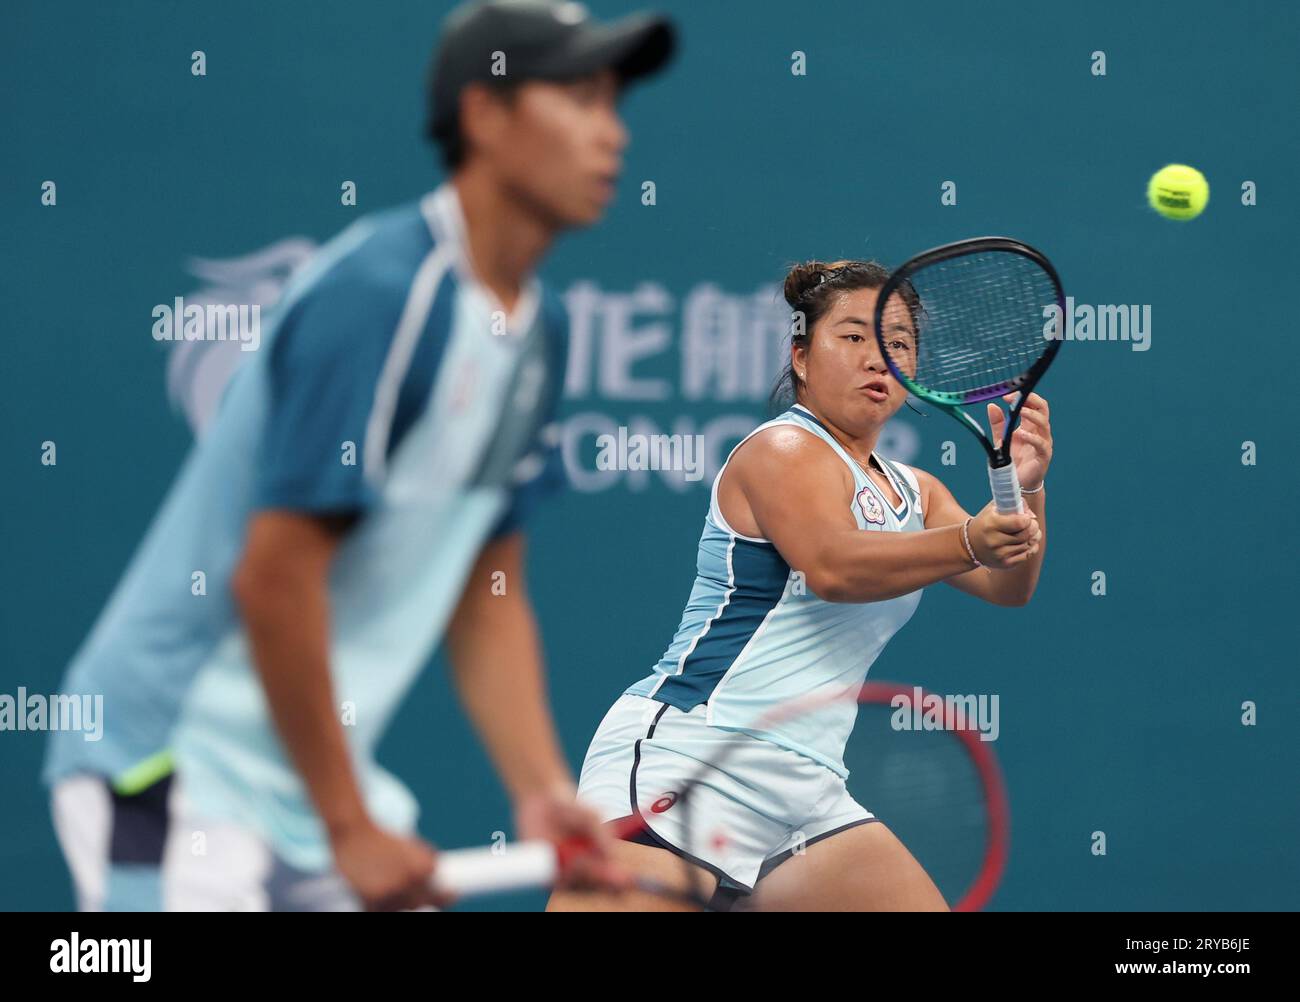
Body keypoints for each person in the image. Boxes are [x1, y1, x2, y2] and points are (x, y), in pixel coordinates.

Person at [44, 0, 676, 912]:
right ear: (485, 115)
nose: (611, 135)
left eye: (615, 104)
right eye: (578, 98)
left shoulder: (541, 335)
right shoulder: (382, 296)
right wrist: (350, 830)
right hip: (167, 770)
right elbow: (273, 580)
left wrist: (541, 790)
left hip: (309, 797)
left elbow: (486, 588)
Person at [549, 259, 1052, 911]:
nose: (879, 358)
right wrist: (967, 541)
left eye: (898, 343)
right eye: (853, 337)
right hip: (690, 760)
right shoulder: (781, 449)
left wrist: (1027, 484)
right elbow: (833, 566)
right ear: (802, 356)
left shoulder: (915, 491)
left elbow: (1009, 585)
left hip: (806, 792)